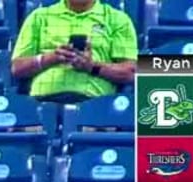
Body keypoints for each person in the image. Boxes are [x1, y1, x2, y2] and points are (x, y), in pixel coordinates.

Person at [9, 0, 137, 104]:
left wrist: (92, 67)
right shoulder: (39, 17)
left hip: (94, 103)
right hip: (42, 101)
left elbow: (130, 73)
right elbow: (17, 68)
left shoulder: (119, 20)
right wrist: (52, 58)